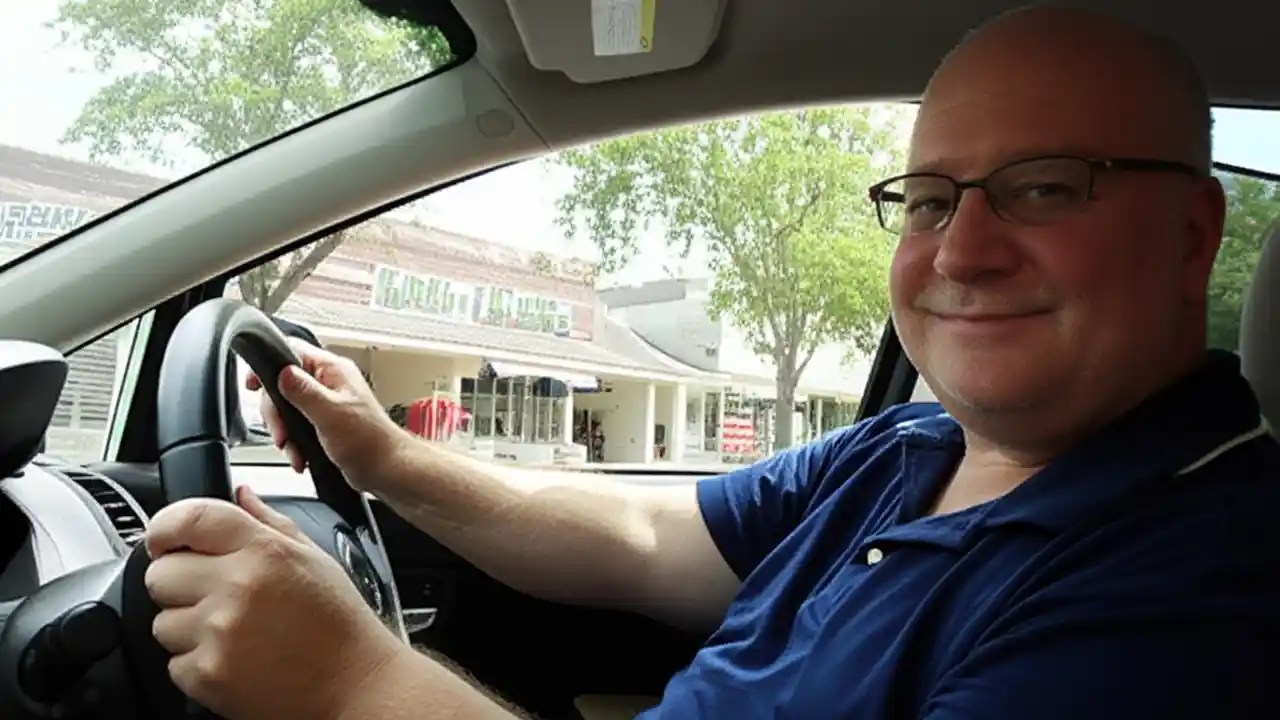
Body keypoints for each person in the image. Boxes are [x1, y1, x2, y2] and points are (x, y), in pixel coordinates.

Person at [141, 4, 1280, 719]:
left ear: (1190, 237)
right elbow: (645, 539)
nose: (961, 251)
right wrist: (382, 455)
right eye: (928, 198)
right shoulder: (906, 448)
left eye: (1042, 187)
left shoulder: (1204, 583)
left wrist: (352, 682)